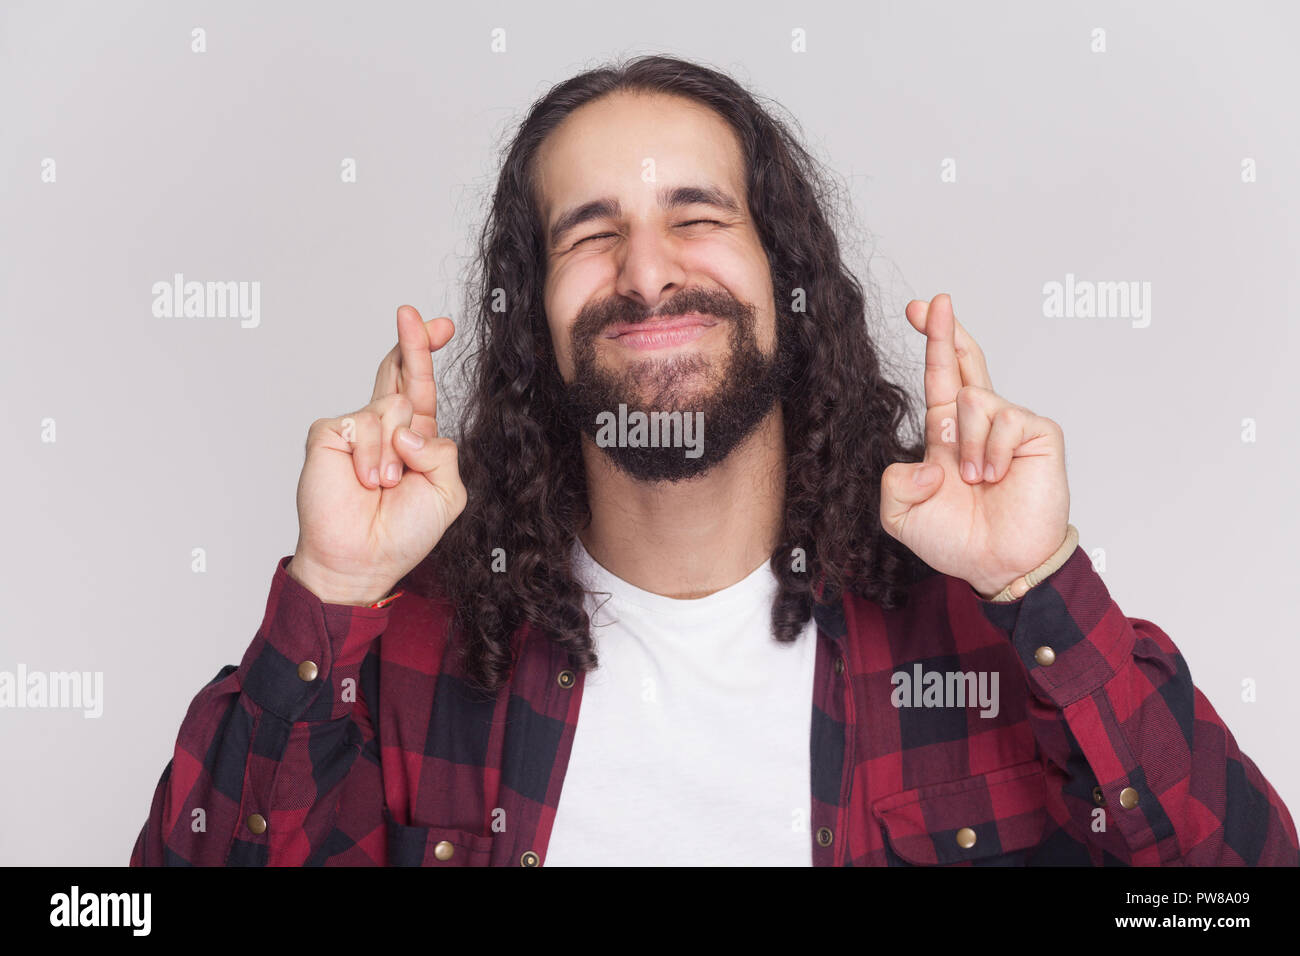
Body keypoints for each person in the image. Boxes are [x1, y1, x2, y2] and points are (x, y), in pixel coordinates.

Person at [130, 54, 1298, 866]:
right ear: (532, 313)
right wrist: (327, 593)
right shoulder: (412, 652)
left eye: (697, 216)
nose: (646, 273)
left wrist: (1038, 581)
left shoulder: (979, 637)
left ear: (786, 280)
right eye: (591, 232)